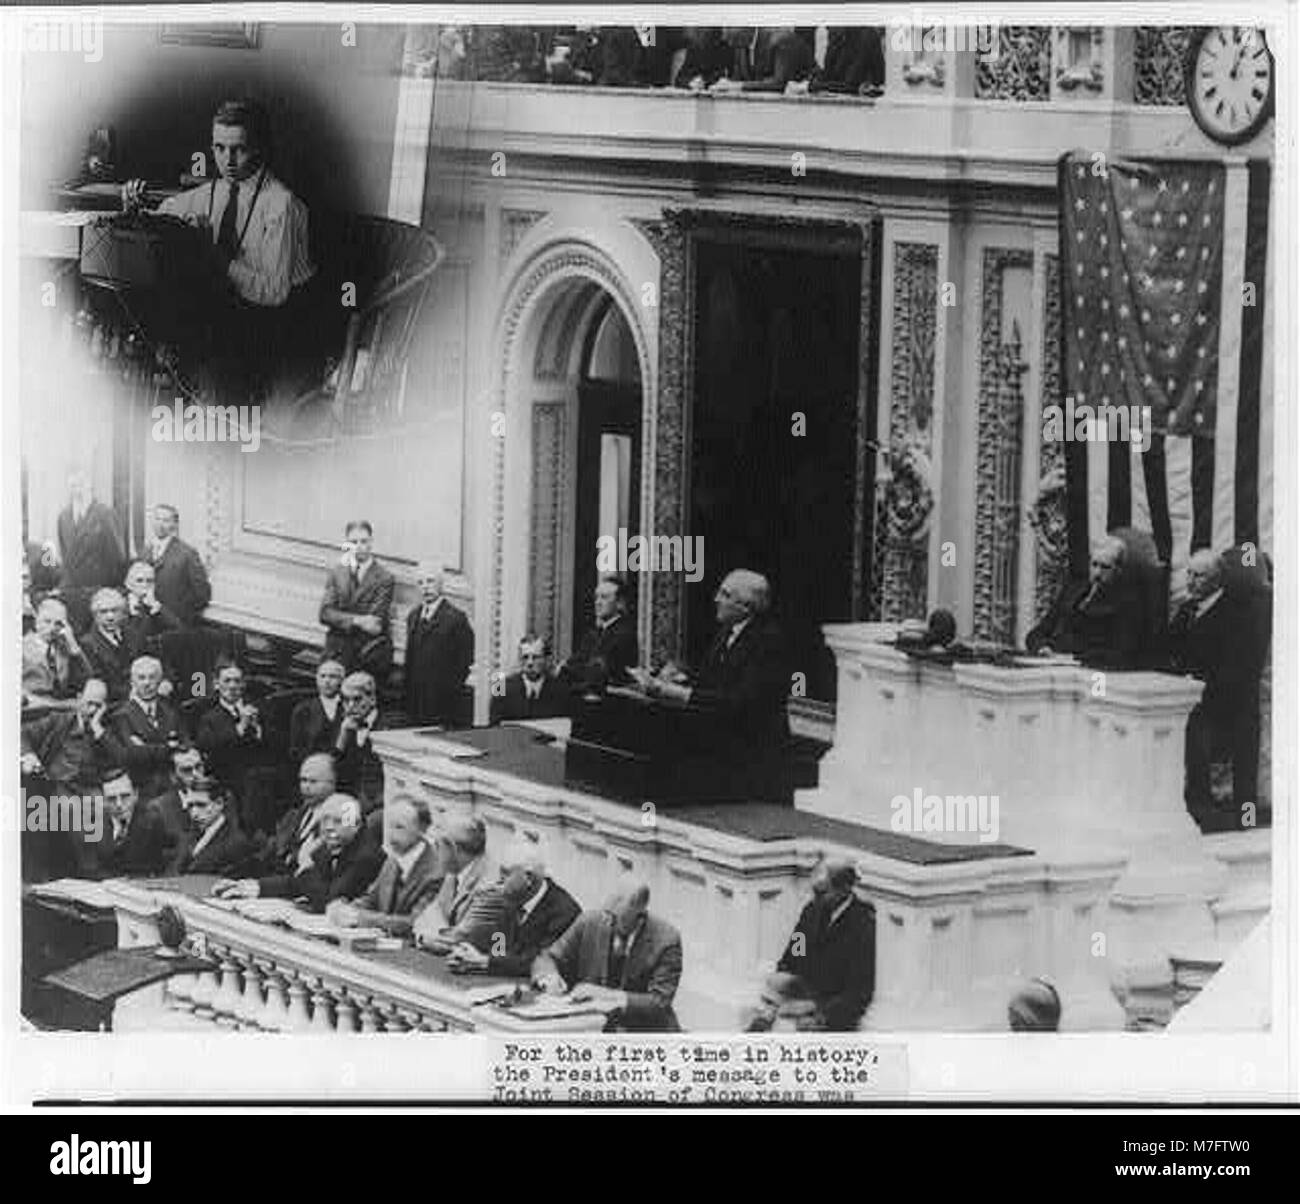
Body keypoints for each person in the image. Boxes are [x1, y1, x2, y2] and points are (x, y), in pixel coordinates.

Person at [634, 568, 793, 804]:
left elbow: (741, 702)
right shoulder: (724, 633)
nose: (716, 599)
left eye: (725, 594)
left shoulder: (769, 641)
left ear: (746, 606)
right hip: (721, 746)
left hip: (752, 758)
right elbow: (710, 681)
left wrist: (678, 694)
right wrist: (676, 678)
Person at [1172, 548, 1271, 822]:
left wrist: (1200, 687)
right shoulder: (1186, 609)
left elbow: (1238, 666)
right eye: (1188, 574)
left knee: (1202, 729)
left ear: (1217, 579)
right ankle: (1193, 802)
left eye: (1198, 576)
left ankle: (1237, 814)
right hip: (1187, 694)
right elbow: (1169, 649)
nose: (1190, 581)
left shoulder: (1238, 614)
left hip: (1228, 698)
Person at [532, 881, 683, 1032]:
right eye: (608, 914)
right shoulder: (591, 921)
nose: (610, 922)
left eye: (618, 918)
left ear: (640, 915)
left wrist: (605, 996)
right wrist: (548, 976)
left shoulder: (666, 939)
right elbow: (547, 958)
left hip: (644, 1033)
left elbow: (659, 1002)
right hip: (590, 1026)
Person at [745, 858, 876, 1032]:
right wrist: (784, 983)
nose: (816, 899)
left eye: (823, 893)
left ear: (845, 889)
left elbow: (859, 991)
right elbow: (792, 957)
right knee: (772, 987)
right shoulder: (811, 911)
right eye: (815, 892)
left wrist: (822, 1015)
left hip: (831, 1006)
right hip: (804, 994)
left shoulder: (863, 923)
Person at [214, 793, 384, 913]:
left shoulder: (366, 856)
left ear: (357, 825)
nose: (329, 827)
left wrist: (306, 865)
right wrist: (250, 887)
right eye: (325, 820)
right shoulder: (331, 844)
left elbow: (328, 901)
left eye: (338, 821)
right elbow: (295, 883)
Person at [447, 839, 581, 978]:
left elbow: (541, 963)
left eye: (506, 874)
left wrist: (484, 962)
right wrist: (468, 954)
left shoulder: (565, 913)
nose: (499, 880)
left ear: (528, 878)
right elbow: (499, 947)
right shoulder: (509, 899)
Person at [327, 794, 446, 936]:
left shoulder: (436, 872)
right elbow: (371, 899)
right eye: (389, 826)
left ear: (422, 830)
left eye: (399, 827)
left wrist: (360, 918)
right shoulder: (392, 862)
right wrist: (346, 910)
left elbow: (415, 923)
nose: (391, 834)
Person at [1025, 534, 1147, 669]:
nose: (1097, 573)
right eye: (1094, 565)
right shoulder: (1072, 591)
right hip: (1053, 664)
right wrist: (1042, 647)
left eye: (1105, 567)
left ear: (1118, 570)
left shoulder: (1128, 602)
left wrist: (1074, 658)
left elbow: (1122, 653)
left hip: (1092, 672)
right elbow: (1036, 633)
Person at [412, 814, 507, 954]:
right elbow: (425, 917)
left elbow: (462, 938)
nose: (434, 852)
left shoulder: (490, 883)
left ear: (453, 849)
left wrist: (426, 937)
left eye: (438, 845)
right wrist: (424, 937)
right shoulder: (453, 874)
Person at [21, 678, 125, 798]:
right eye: (89, 703)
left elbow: (118, 761)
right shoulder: (59, 720)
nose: (93, 710)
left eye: (98, 706)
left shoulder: (104, 732)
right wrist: (29, 755)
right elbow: (23, 733)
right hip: (52, 790)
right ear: (80, 698)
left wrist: (97, 728)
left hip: (87, 795)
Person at [320, 521, 395, 679]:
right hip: (336, 655)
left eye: (364, 541)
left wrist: (340, 618)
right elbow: (325, 614)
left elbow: (374, 624)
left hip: (364, 657)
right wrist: (358, 620)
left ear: (371, 543)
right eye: (354, 542)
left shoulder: (384, 578)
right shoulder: (338, 572)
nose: (359, 546)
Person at [403, 563, 474, 726]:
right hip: (416, 700)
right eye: (420, 583)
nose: (425, 587)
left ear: (440, 584)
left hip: (444, 701)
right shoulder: (413, 616)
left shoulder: (456, 619)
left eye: (430, 581)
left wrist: (449, 689)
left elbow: (465, 660)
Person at [56, 469, 126, 630]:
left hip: (97, 590)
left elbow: (117, 557)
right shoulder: (64, 516)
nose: (76, 489)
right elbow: (66, 555)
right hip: (72, 592)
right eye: (73, 485)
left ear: (90, 486)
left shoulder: (105, 513)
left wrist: (108, 590)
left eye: (81, 484)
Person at [74, 768, 171, 880]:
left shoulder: (153, 822)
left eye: (125, 797)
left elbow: (162, 866)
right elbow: (88, 869)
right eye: (111, 799)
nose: (119, 804)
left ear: (135, 795)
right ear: (103, 800)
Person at [112, 655, 185, 799]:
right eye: (141, 678)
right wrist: (168, 747)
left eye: (152, 678)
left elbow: (184, 746)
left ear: (159, 681)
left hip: (172, 789)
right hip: (140, 791)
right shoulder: (122, 716)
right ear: (132, 682)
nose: (147, 683)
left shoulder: (170, 712)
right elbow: (133, 755)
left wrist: (147, 747)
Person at [196, 659, 267, 805]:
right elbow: (211, 750)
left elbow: (275, 747)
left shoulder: (260, 708)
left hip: (259, 782)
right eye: (227, 681)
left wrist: (258, 729)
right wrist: (240, 727)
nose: (232, 686)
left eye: (237, 681)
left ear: (243, 684)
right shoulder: (209, 718)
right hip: (227, 782)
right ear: (217, 684)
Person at [258, 753, 339, 877]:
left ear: (332, 784)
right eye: (303, 780)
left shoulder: (338, 820)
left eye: (313, 782)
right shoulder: (296, 815)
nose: (306, 787)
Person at [560, 575, 639, 693]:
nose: (598, 602)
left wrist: (573, 669)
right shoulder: (592, 635)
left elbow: (599, 672)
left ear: (620, 603)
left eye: (604, 598)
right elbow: (571, 666)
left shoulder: (625, 635)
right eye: (596, 597)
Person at [169, 777, 257, 876]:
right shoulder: (190, 836)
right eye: (190, 806)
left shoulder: (236, 842)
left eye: (201, 805)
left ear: (219, 803)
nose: (194, 813)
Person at [146, 504, 211, 626]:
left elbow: (203, 594)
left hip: (175, 624)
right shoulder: (147, 551)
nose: (160, 524)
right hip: (150, 622)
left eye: (166, 521)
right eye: (157, 519)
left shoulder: (187, 554)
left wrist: (182, 618)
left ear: (175, 525)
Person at [22, 597, 92, 709]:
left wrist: (73, 644)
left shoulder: (63, 647)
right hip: (34, 710)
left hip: (63, 708)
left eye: (58, 623)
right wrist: (61, 705)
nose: (51, 628)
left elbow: (88, 678)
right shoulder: (21, 647)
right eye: (47, 621)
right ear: (36, 618)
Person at [332, 671, 386, 813]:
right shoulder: (342, 724)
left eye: (357, 700)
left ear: (372, 699)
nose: (350, 706)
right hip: (350, 803)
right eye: (345, 700)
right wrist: (342, 736)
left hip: (379, 805)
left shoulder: (388, 726)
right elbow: (333, 771)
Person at [490, 635, 568, 723]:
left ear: (546, 660)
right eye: (525, 657)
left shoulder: (561, 689)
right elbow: (494, 728)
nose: (530, 663)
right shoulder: (500, 685)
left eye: (535, 657)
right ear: (519, 660)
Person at [80, 588, 134, 702]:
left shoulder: (132, 634)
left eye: (115, 611)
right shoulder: (88, 644)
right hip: (114, 704)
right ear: (95, 615)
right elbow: (99, 683)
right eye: (103, 612)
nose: (110, 617)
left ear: (123, 613)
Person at [288, 659, 345, 765]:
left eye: (333, 677)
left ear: (342, 680)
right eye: (322, 676)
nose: (327, 681)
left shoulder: (348, 708)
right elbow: (295, 750)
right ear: (317, 680)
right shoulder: (303, 710)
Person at [123, 560, 181, 659]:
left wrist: (155, 607)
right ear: (128, 583)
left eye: (149, 581)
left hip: (150, 660)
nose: (145, 585)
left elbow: (178, 629)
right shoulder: (120, 603)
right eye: (139, 580)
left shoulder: (157, 604)